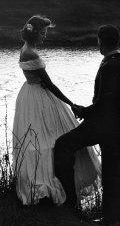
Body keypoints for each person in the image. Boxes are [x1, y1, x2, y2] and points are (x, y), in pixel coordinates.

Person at [12, 15, 100, 206]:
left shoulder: (27, 49)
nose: (45, 37)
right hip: (38, 97)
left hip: (32, 93)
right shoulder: (31, 54)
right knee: (46, 139)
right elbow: (49, 84)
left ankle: (54, 187)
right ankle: (48, 189)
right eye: (43, 33)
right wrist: (71, 103)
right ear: (34, 32)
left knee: (48, 139)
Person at [54, 25, 120, 224]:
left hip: (105, 125)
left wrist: (84, 111)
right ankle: (113, 216)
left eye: (98, 40)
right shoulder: (119, 64)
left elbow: (106, 102)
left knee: (64, 145)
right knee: (112, 169)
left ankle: (71, 205)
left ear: (101, 41)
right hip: (113, 125)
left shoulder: (111, 66)